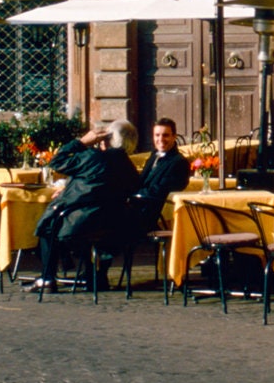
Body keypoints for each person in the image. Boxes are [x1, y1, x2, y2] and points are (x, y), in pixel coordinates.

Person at [30, 123, 137, 291]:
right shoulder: (128, 166)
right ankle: (97, 276)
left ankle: (47, 277)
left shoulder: (91, 157)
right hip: (114, 225)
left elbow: (57, 162)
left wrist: (82, 142)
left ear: (106, 140)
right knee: (88, 227)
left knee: (48, 225)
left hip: (80, 223)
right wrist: (69, 191)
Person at [122, 117, 192, 238]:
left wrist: (131, 197)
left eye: (165, 135)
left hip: (153, 215)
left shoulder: (179, 162)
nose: (160, 139)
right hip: (139, 207)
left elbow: (159, 191)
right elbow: (141, 182)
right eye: (157, 135)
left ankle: (105, 252)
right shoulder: (154, 155)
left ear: (174, 136)